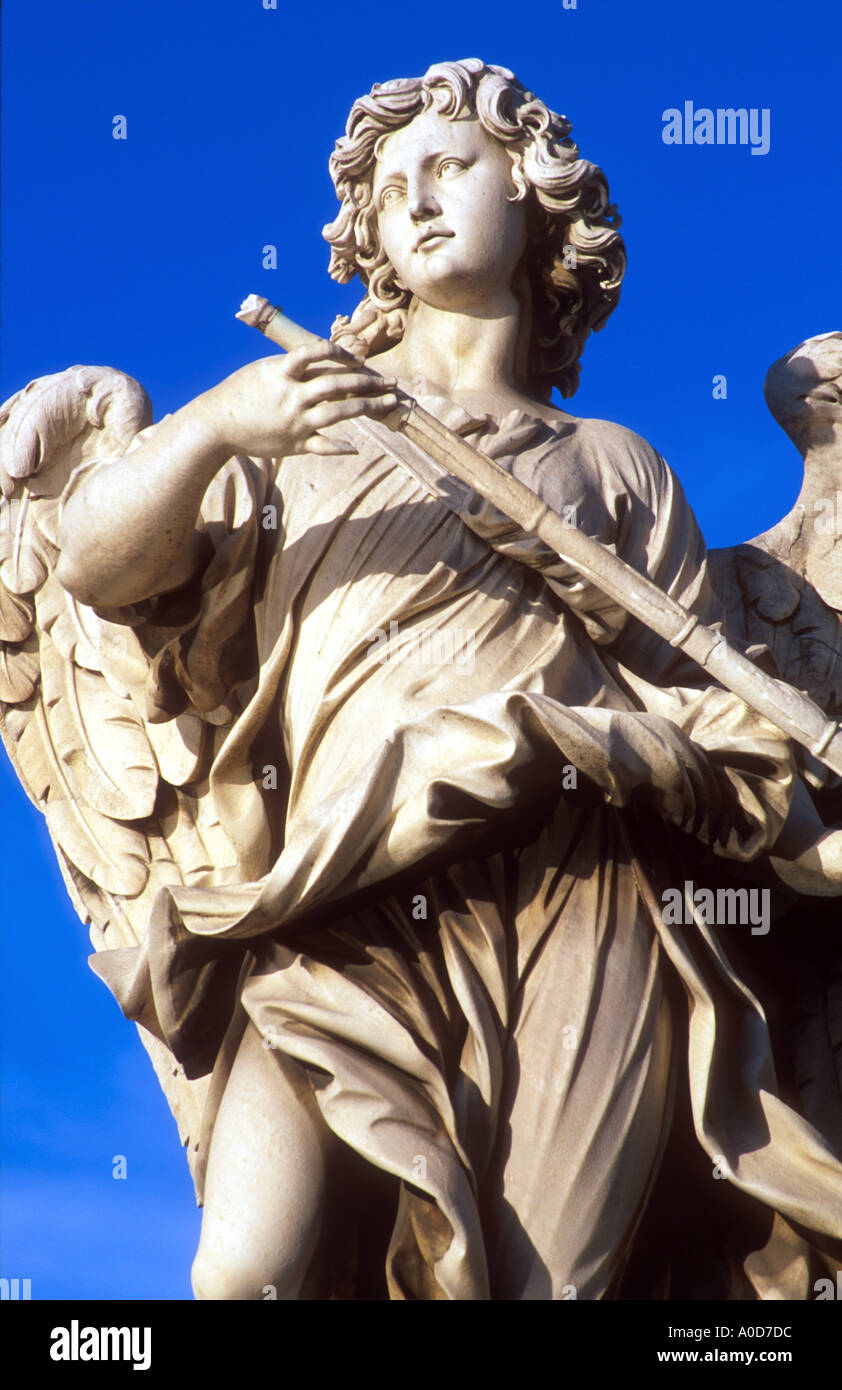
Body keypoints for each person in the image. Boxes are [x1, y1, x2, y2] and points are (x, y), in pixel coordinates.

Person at [56, 58, 842, 1300]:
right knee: (244, 1273)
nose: (416, 201)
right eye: (388, 189)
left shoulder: (616, 466)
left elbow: (697, 694)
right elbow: (92, 559)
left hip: (578, 891)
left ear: (533, 196)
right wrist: (212, 425)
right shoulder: (300, 424)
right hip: (328, 895)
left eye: (449, 167)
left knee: (543, 1285)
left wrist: (754, 776)